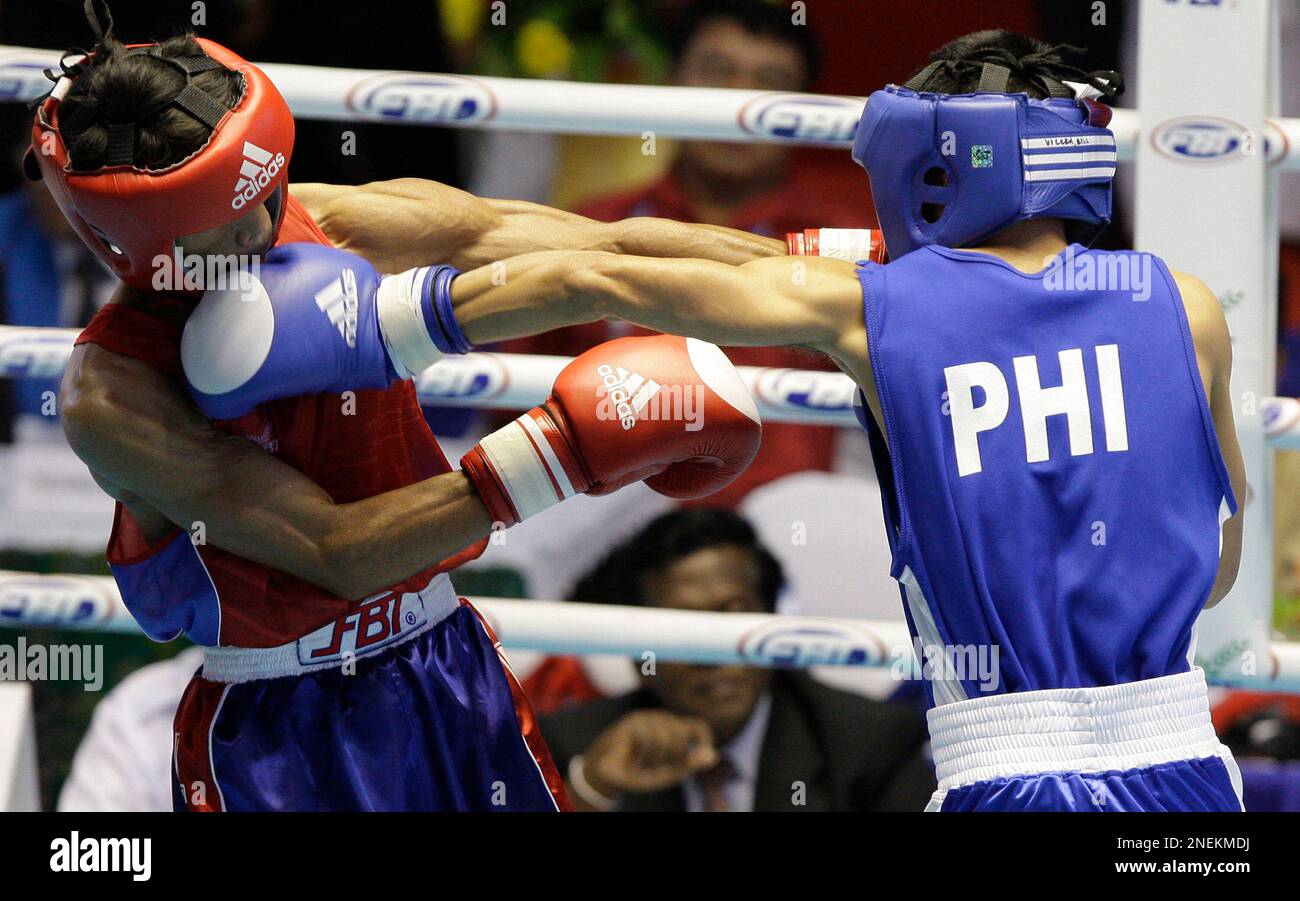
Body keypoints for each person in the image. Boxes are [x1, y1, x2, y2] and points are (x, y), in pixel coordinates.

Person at [390, 31, 1245, 811]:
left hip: (1010, 771)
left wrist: (390, 316)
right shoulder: (1187, 306)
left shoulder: (876, 311)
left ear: (941, 164)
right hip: (1188, 769)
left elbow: (608, 269)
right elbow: (1215, 569)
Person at [34, 6, 770, 811]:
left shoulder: (338, 224)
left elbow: (601, 250)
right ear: (128, 246)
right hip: (281, 730)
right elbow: (336, 551)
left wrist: (831, 271)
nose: (267, 232)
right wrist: (562, 451)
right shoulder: (115, 394)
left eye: (270, 194)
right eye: (229, 230)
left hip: (445, 666)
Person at [500, 0, 871, 505]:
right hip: (601, 521)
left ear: (805, 106)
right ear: (672, 82)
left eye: (769, 80)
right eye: (718, 72)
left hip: (781, 539)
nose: (740, 102)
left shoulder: (846, 247)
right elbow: (501, 407)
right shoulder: (591, 226)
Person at [537, 508, 935, 812]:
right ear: (639, 656)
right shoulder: (574, 746)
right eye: (681, 626)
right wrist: (592, 791)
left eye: (733, 617)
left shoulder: (869, 742)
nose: (712, 655)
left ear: (774, 625)